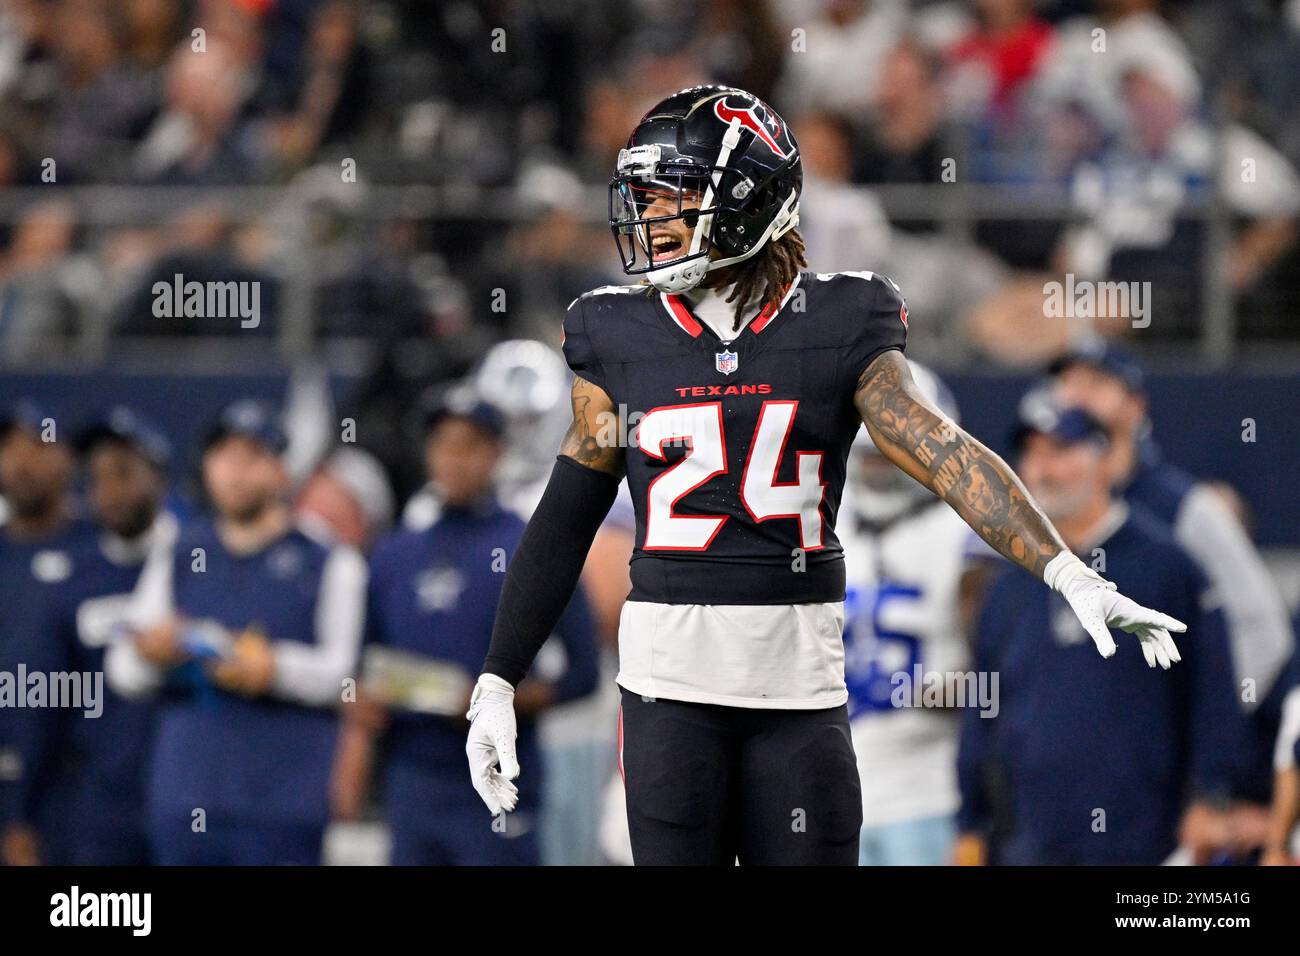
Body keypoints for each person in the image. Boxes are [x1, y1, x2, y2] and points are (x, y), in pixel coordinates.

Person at [465, 85, 1185, 866]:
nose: (651, 220)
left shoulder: (841, 320)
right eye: (645, 197)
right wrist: (499, 678)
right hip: (666, 693)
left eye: (673, 197)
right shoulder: (614, 328)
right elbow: (568, 512)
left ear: (748, 200)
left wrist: (1068, 573)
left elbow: (943, 453)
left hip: (799, 692)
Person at [955, 401, 1244, 864]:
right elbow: (983, 703)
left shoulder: (1166, 567)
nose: (1044, 469)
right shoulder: (1008, 583)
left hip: (1144, 835)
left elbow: (1212, 689)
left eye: (1062, 450)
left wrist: (1213, 795)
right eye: (1033, 453)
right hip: (1031, 838)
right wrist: (970, 821)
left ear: (1106, 461)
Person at [106, 400, 365, 865]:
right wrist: (152, 655)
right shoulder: (179, 553)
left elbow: (343, 673)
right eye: (223, 456)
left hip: (283, 800)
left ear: (282, 471)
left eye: (252, 456)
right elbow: (123, 668)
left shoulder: (328, 560)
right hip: (187, 793)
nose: (235, 472)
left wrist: (276, 668)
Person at [345, 394, 598, 865]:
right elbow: (361, 667)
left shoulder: (533, 544)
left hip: (498, 776)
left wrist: (492, 702)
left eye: (470, 445)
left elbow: (583, 676)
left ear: (497, 453)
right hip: (412, 778)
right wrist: (365, 701)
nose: (454, 459)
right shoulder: (395, 554)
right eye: (443, 444)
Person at [1049, 343, 1295, 806]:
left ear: (1135, 405)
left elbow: (1264, 631)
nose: (1077, 397)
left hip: (1167, 772)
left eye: (1097, 384)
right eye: (1069, 383)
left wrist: (1202, 728)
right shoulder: (1052, 508)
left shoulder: (1185, 509)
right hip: (1082, 763)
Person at [9, 407, 173, 865]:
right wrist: (24, 816)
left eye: (123, 473)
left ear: (158, 478)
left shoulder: (197, 565)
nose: (110, 492)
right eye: (98, 477)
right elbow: (45, 708)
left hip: (187, 794)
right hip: (99, 804)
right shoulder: (72, 581)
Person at [839, 362, 971, 865]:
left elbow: (1004, 675)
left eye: (894, 448)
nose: (879, 460)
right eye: (872, 447)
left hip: (929, 790)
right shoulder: (822, 519)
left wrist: (916, 692)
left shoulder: (965, 538)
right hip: (830, 789)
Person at [0, 399, 94, 866]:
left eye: (38, 446)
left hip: (73, 788)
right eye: (9, 448)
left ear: (68, 458)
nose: (21, 463)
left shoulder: (100, 553)